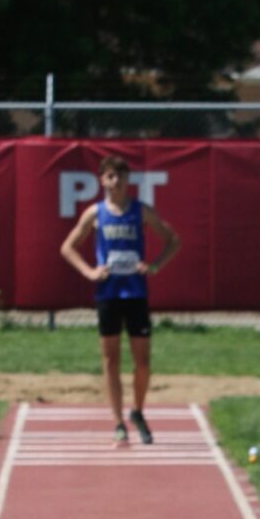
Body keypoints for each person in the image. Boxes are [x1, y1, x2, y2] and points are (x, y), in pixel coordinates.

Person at [60, 153, 180, 446]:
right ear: (102, 180)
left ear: (128, 180)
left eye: (121, 177)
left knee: (143, 362)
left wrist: (154, 266)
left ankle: (137, 410)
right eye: (111, 176)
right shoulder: (95, 213)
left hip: (135, 292)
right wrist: (89, 271)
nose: (116, 182)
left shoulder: (141, 211)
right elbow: (67, 247)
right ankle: (117, 422)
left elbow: (173, 240)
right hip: (108, 293)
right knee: (110, 359)